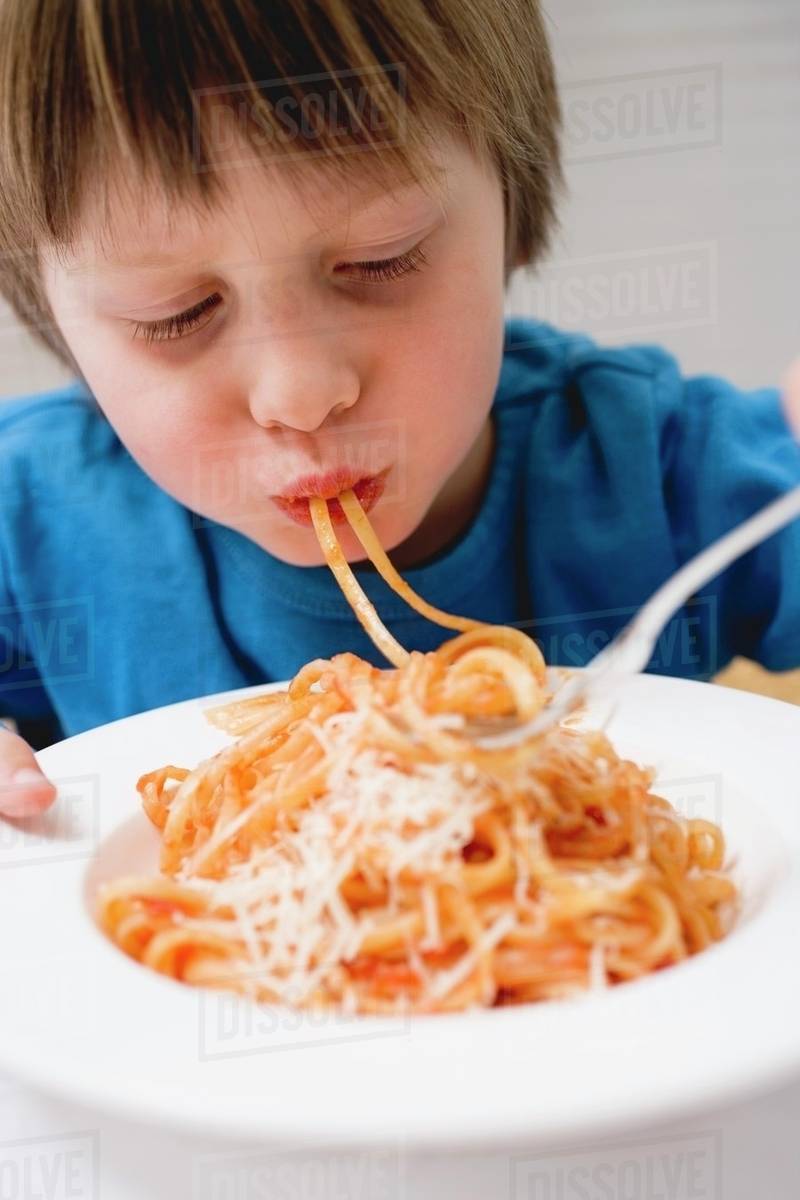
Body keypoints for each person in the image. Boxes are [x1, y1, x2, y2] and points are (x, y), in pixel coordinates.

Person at [0, 0, 798, 818]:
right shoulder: (29, 525)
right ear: (55, 320)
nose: (300, 394)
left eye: (380, 261)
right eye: (174, 313)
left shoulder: (652, 473)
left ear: (512, 217)